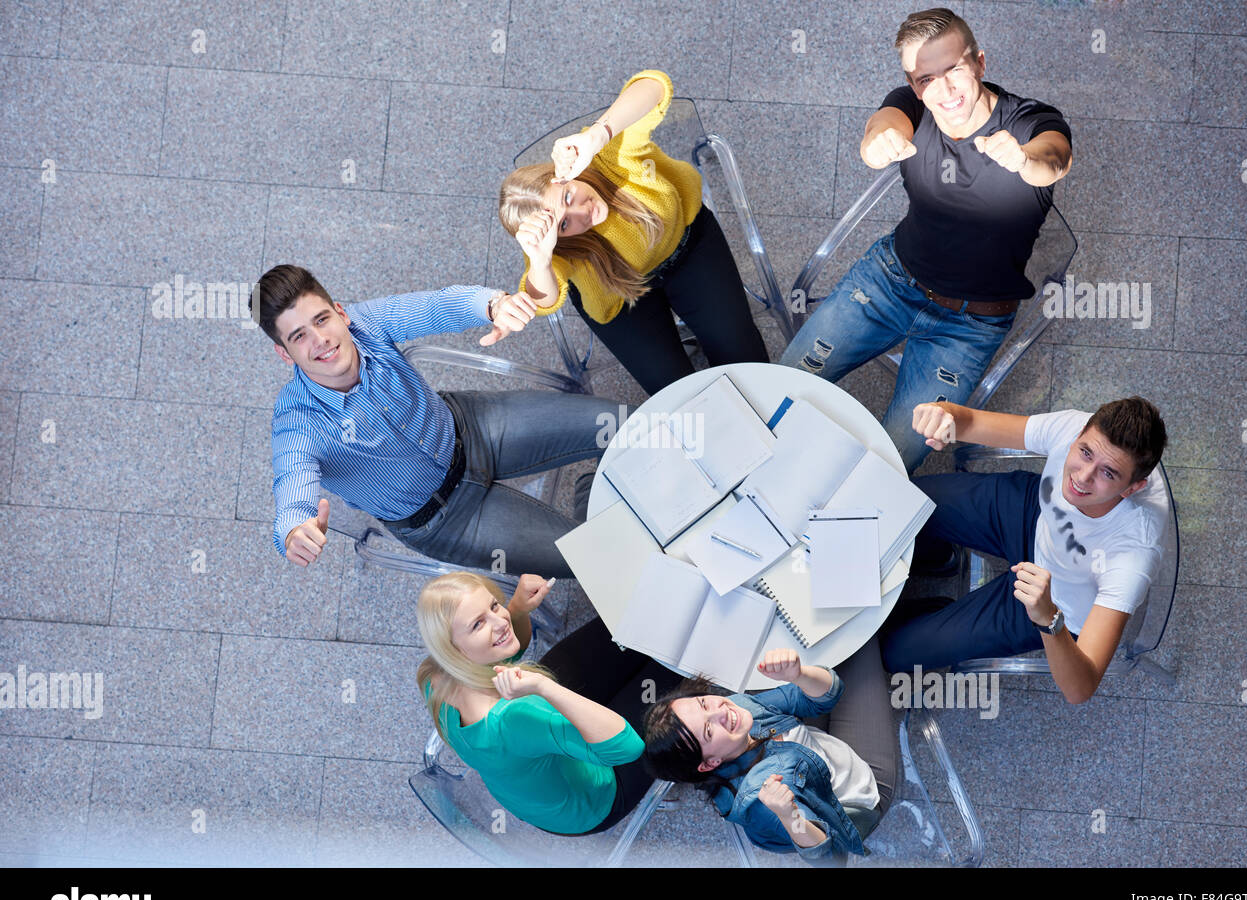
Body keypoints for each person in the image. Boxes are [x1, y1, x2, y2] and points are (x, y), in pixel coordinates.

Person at [779, 7, 1073, 472]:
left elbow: (1054, 157)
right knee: (783, 389)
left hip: (968, 328)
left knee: (889, 465)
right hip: (888, 283)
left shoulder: (1029, 120)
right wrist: (876, 142)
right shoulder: (913, 103)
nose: (943, 91)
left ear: (979, 62)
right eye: (925, 79)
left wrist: (1023, 161)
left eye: (954, 70)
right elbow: (884, 124)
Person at [258, 263, 619, 578]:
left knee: (622, 425)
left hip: (473, 430)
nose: (320, 339)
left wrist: (494, 305)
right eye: (298, 336)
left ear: (341, 313)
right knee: (600, 560)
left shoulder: (365, 322)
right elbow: (292, 481)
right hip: (448, 521)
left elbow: (435, 306)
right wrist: (293, 531)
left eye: (321, 320)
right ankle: (594, 492)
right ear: (284, 354)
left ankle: (601, 486)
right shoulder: (297, 423)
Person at [499, 69, 769, 397]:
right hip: (621, 300)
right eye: (564, 225)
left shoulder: (606, 158)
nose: (583, 213)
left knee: (745, 359)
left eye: (568, 197)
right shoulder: (554, 247)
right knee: (679, 396)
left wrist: (597, 135)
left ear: (565, 175)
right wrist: (540, 261)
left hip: (689, 247)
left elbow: (654, 85)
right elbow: (543, 298)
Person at [883, 397, 1169, 703]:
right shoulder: (1076, 427)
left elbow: (1079, 689)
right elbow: (972, 422)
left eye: (1108, 473)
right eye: (1084, 453)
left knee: (894, 654)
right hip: (1030, 513)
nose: (1082, 477)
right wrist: (943, 416)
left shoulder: (1134, 553)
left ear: (1132, 488)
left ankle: (935, 608)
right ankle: (937, 557)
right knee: (901, 501)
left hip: (1052, 602)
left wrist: (1049, 618)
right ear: (1080, 434)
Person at [416, 571, 676, 835]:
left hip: (536, 778)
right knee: (675, 664)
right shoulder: (516, 716)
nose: (501, 621)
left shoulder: (433, 675)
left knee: (623, 626)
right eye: (478, 624)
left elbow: (506, 652)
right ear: (454, 651)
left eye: (494, 605)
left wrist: (517, 608)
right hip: (597, 797)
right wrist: (545, 688)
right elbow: (627, 748)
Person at [641, 644, 898, 867]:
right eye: (708, 730)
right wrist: (790, 816)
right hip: (857, 792)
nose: (720, 711)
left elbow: (825, 696)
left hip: (817, 749)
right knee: (860, 646)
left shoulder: (739, 711)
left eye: (704, 703)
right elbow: (831, 858)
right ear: (711, 763)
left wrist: (798, 674)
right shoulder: (762, 802)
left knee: (833, 647)